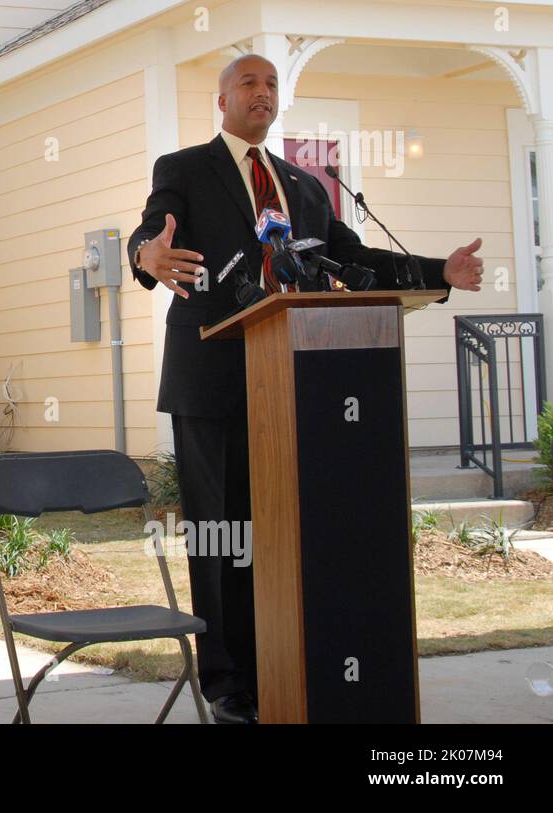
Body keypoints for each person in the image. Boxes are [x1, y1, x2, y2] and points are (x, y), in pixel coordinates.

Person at [127, 55, 484, 724]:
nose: (262, 93)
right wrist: (145, 254)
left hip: (298, 382)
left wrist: (441, 270)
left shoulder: (304, 185)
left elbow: (356, 259)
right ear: (223, 99)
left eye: (271, 85)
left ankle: (291, 659)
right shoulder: (184, 169)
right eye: (249, 83)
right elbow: (154, 230)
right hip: (213, 379)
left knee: (290, 530)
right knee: (227, 531)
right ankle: (230, 679)